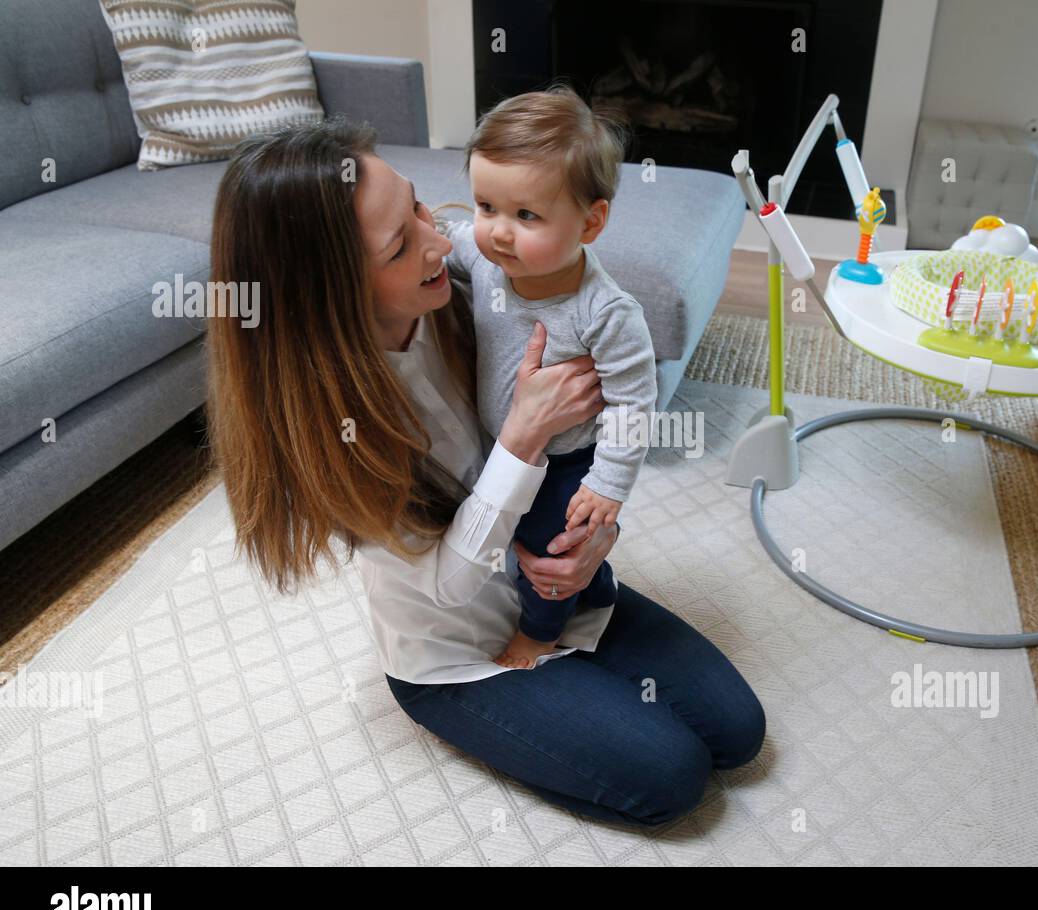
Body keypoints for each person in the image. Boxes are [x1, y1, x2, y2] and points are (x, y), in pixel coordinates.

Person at [204, 115, 765, 827]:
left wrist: (597, 529)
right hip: (454, 646)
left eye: (415, 205)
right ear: (329, 291)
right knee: (672, 777)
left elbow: (599, 413)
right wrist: (523, 438)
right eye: (400, 244)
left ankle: (566, 662)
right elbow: (445, 587)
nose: (439, 239)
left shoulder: (465, 290)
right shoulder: (324, 428)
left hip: (547, 591)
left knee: (737, 731)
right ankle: (521, 698)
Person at [443, 84, 656, 656]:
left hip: (568, 461)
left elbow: (634, 405)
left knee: (551, 543)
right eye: (487, 207)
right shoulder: (488, 261)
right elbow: (449, 240)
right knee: (508, 533)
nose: (498, 231)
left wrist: (608, 483)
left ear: (590, 223)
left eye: (526, 215)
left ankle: (538, 633)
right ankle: (596, 590)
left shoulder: (605, 313)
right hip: (504, 444)